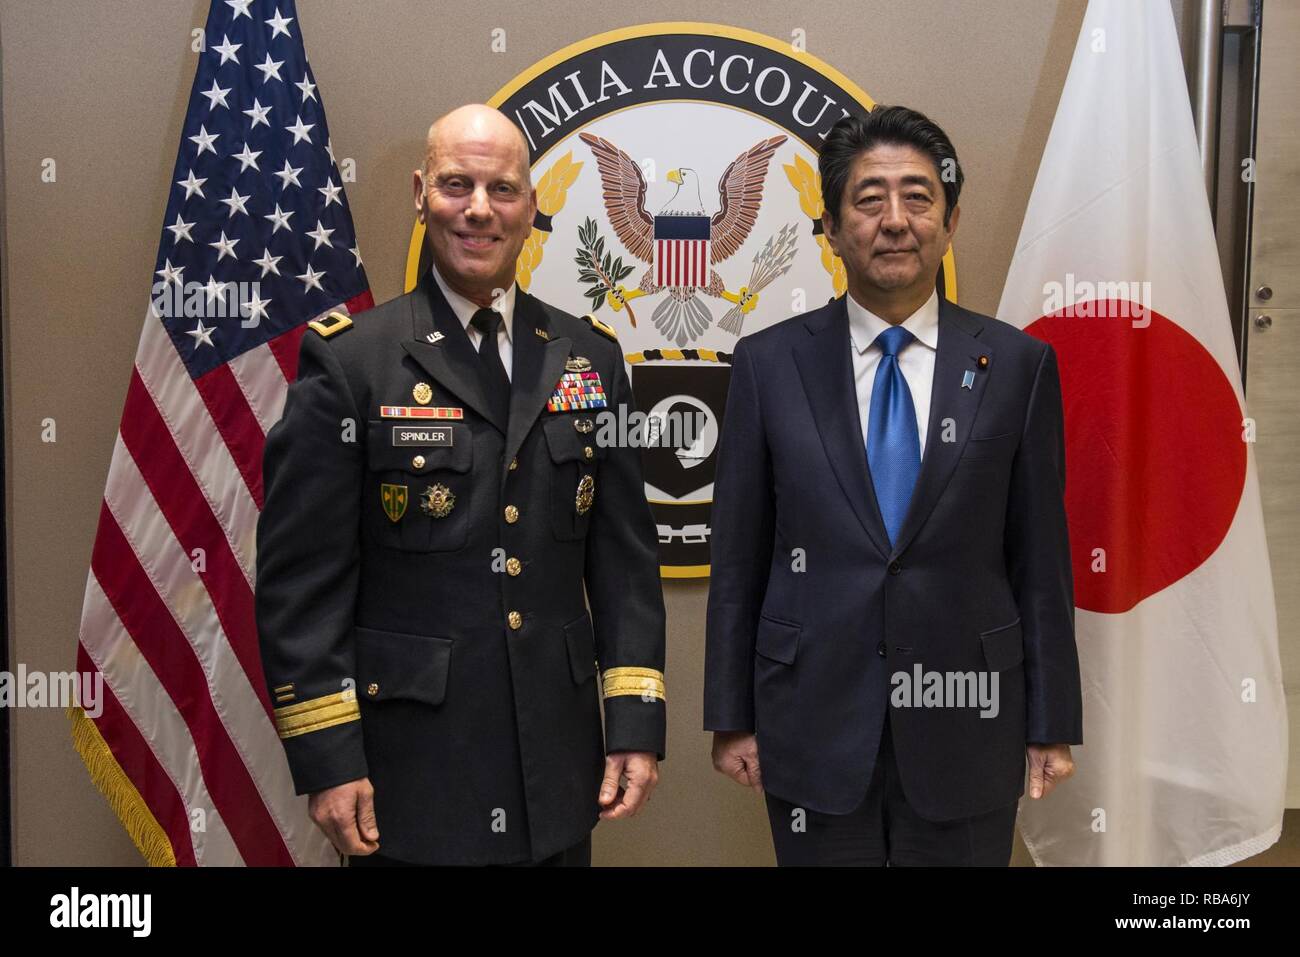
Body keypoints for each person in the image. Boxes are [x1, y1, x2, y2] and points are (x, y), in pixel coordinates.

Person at [256, 104, 666, 866]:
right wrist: (328, 757)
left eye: (502, 189)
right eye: (456, 184)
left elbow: (624, 566)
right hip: (411, 775)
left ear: (531, 206)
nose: (479, 209)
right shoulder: (352, 363)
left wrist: (636, 720)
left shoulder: (591, 358)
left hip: (555, 769)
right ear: (420, 193)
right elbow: (299, 584)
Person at [704, 106, 1082, 866]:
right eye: (869, 199)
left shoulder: (1016, 366)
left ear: (950, 220)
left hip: (971, 722)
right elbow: (739, 557)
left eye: (918, 196)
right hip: (810, 720)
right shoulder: (769, 364)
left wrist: (1050, 719)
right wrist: (731, 715)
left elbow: (1041, 560)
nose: (895, 220)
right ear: (833, 227)